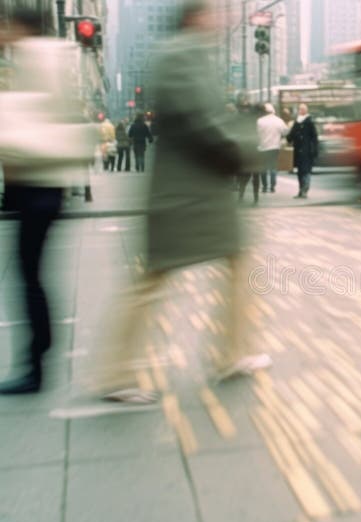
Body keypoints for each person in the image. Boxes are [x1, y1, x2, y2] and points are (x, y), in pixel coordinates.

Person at [84, 0, 271, 405]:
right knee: (156, 277)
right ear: (195, 18)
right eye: (213, 14)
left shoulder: (182, 53)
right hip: (188, 193)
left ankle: (231, 353)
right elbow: (201, 120)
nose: (221, 20)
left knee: (225, 263)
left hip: (192, 192)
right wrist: (240, 149)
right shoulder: (182, 54)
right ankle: (116, 373)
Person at [0, 8, 93, 394]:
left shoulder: (37, 57)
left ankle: (36, 363)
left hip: (39, 183)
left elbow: (41, 118)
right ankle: (36, 357)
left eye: (6, 27)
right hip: (41, 184)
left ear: (20, 27)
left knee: (30, 277)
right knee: (30, 275)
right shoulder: (44, 56)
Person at [286, 103, 318, 198]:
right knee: (300, 172)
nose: (300, 110)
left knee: (306, 171)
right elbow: (291, 135)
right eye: (299, 109)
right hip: (298, 150)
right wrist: (287, 138)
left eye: (302, 109)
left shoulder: (309, 121)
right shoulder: (297, 121)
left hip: (307, 151)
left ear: (306, 110)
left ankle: (305, 190)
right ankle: (301, 191)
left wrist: (314, 150)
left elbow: (314, 137)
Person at [257, 102, 288, 193]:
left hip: (262, 147)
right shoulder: (278, 120)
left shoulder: (259, 121)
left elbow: (256, 133)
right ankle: (272, 187)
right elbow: (285, 132)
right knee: (273, 167)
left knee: (263, 168)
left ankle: (264, 187)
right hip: (274, 147)